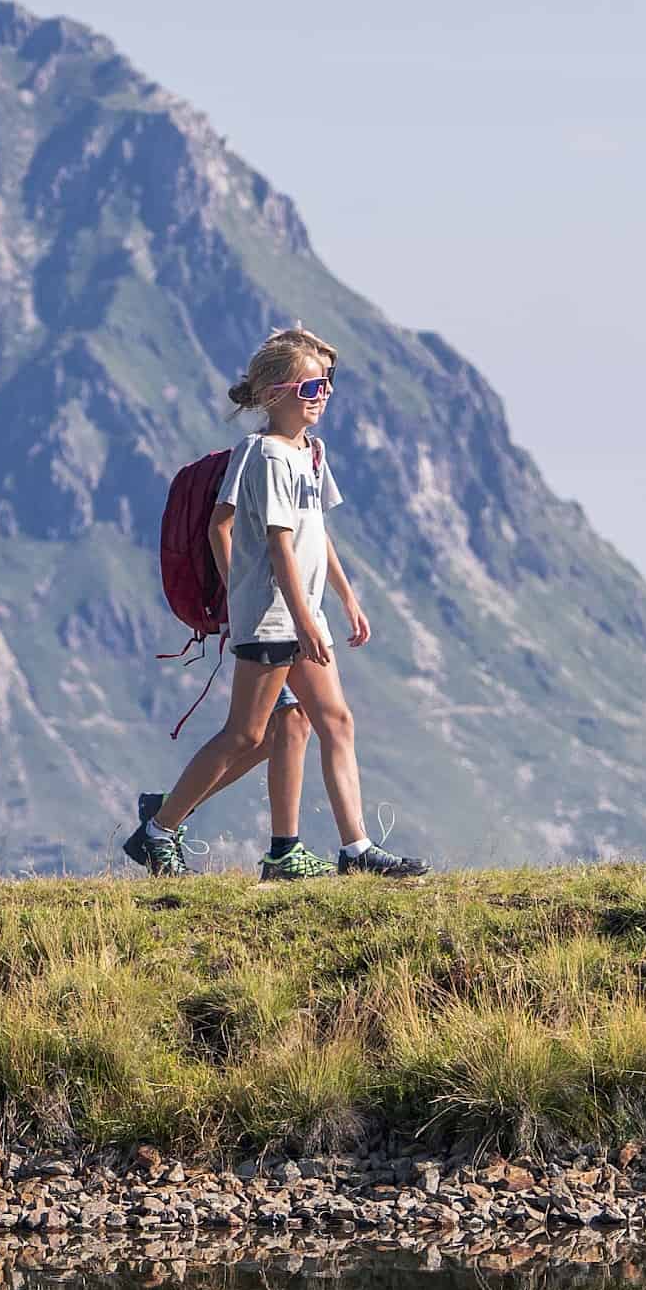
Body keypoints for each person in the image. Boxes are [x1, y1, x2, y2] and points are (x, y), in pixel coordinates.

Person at [124, 331, 427, 881]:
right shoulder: (263, 455)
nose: (323, 395)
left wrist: (346, 598)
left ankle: (354, 849)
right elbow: (278, 544)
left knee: (334, 719)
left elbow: (317, 532)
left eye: (327, 385)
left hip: (304, 616)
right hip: (271, 619)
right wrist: (304, 618)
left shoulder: (310, 453)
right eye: (311, 385)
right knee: (245, 735)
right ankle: (159, 828)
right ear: (274, 394)